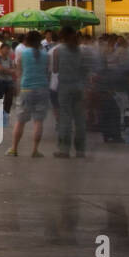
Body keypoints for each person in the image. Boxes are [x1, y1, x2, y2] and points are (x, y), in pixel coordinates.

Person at [6, 31, 50, 158]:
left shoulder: (22, 53)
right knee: (38, 121)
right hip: (42, 88)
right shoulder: (45, 55)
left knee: (20, 121)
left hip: (26, 89)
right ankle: (35, 150)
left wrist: (17, 87)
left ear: (27, 41)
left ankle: (14, 148)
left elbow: (18, 72)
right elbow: (47, 71)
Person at [51, 27, 88, 158]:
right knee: (80, 119)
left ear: (62, 36)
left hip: (65, 87)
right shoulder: (81, 50)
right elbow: (85, 70)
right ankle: (80, 150)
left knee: (65, 118)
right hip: (79, 87)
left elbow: (55, 70)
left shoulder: (57, 50)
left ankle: (64, 149)